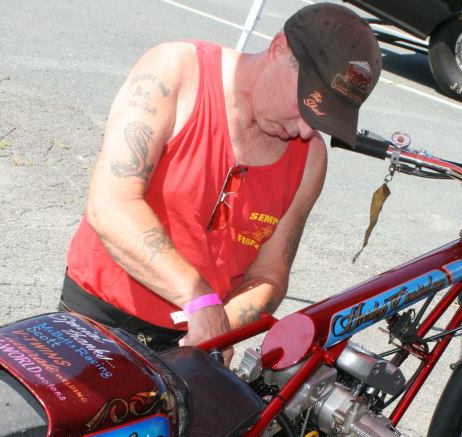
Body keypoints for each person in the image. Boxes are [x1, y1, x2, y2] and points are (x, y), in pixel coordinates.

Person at [61, 3, 382, 357]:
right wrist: (200, 300)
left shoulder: (310, 159)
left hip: (195, 343)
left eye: (323, 120)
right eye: (308, 105)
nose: (307, 130)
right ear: (279, 50)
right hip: (97, 322)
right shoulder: (175, 73)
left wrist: (221, 327)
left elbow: (270, 275)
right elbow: (112, 204)